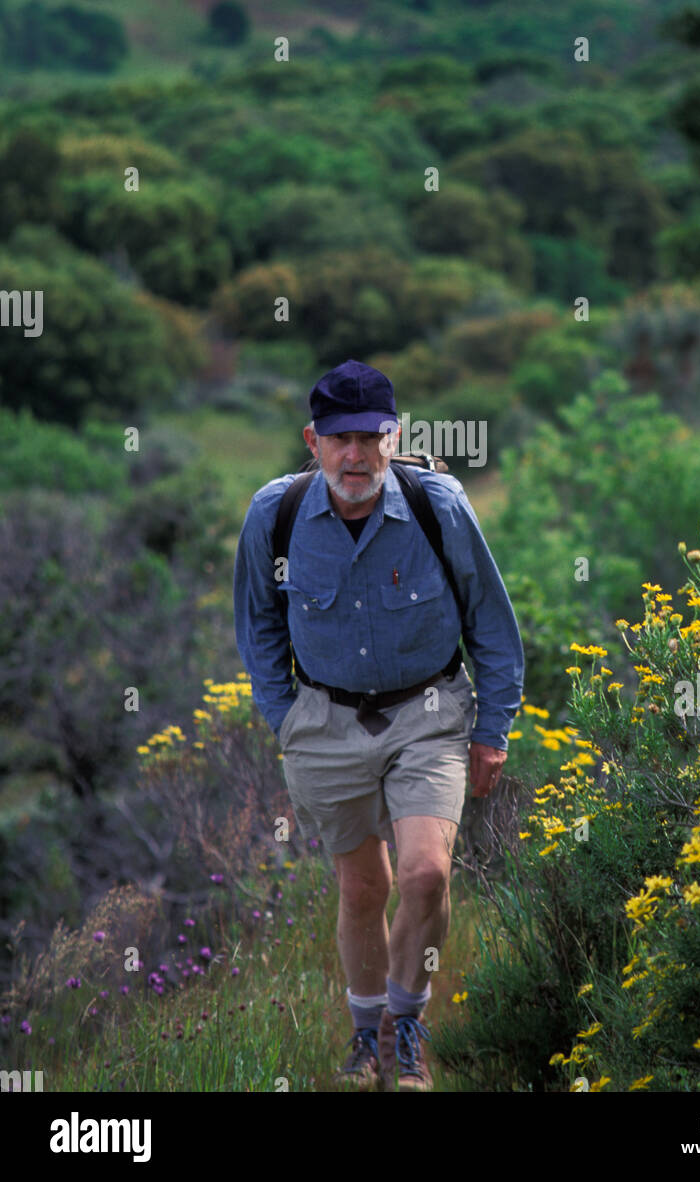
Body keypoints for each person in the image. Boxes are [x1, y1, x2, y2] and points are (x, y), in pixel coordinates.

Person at [233, 359, 523, 1091]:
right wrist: (285, 716)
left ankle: (406, 1027)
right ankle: (365, 1040)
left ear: (395, 437)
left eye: (369, 437)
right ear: (313, 439)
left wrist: (494, 729)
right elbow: (258, 625)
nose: (354, 456)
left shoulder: (440, 505)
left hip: (429, 715)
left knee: (425, 874)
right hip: (324, 722)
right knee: (364, 888)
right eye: (339, 440)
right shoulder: (276, 513)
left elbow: (490, 618)